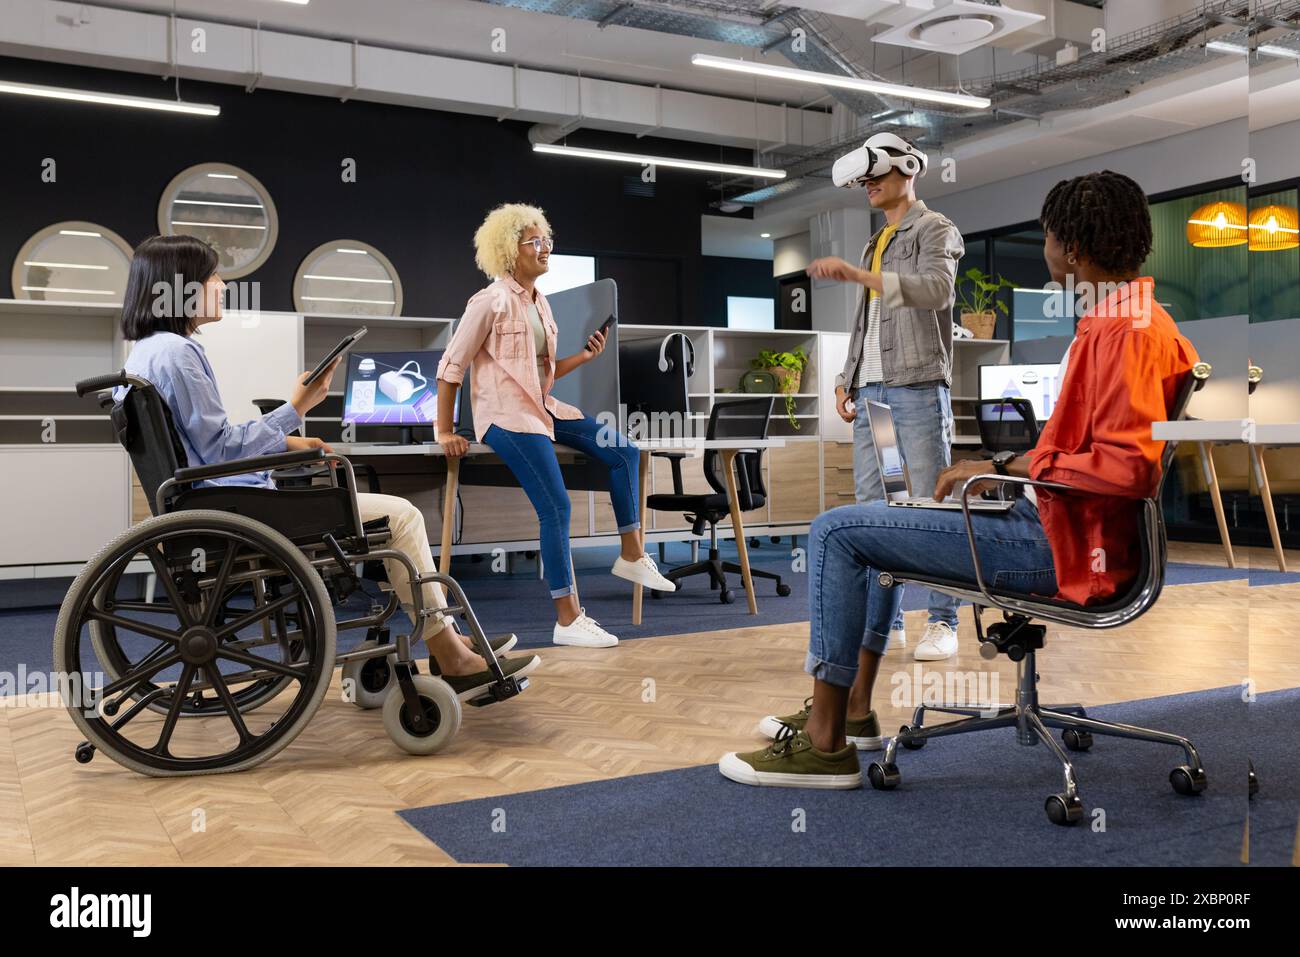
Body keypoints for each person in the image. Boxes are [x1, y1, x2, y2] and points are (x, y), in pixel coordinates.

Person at [723, 170, 1199, 788]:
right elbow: (1099, 455)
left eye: (1049, 239)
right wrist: (1005, 470)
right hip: (1061, 527)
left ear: (1073, 248)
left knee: (837, 532)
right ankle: (853, 712)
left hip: (1062, 548)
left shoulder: (1122, 331)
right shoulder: (1132, 318)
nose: (1047, 255)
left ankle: (824, 742)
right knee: (877, 524)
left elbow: (1124, 470)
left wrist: (1002, 468)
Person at [117, 234, 537, 699]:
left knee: (386, 511)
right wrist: (294, 408)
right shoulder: (179, 352)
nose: (222, 286)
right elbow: (217, 447)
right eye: (213, 277)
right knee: (402, 516)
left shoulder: (147, 352)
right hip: (238, 510)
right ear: (182, 288)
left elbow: (201, 446)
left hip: (213, 501)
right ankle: (450, 654)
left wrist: (286, 436)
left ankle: (449, 643)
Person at [435, 203, 676, 648]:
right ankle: (567, 618)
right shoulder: (489, 301)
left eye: (547, 240)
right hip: (506, 417)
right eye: (535, 242)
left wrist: (584, 358)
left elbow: (536, 373)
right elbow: (451, 367)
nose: (545, 248)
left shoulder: (540, 304)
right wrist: (444, 431)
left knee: (625, 451)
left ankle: (631, 553)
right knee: (557, 507)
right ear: (510, 250)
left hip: (542, 407)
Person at [806, 131, 966, 666]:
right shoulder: (874, 240)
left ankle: (943, 621)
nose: (867, 186)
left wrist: (858, 274)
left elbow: (936, 290)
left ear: (907, 169)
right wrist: (848, 376)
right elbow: (865, 320)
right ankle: (885, 619)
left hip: (916, 387)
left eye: (875, 176)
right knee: (877, 510)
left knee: (929, 506)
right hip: (872, 393)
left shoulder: (935, 227)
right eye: (863, 180)